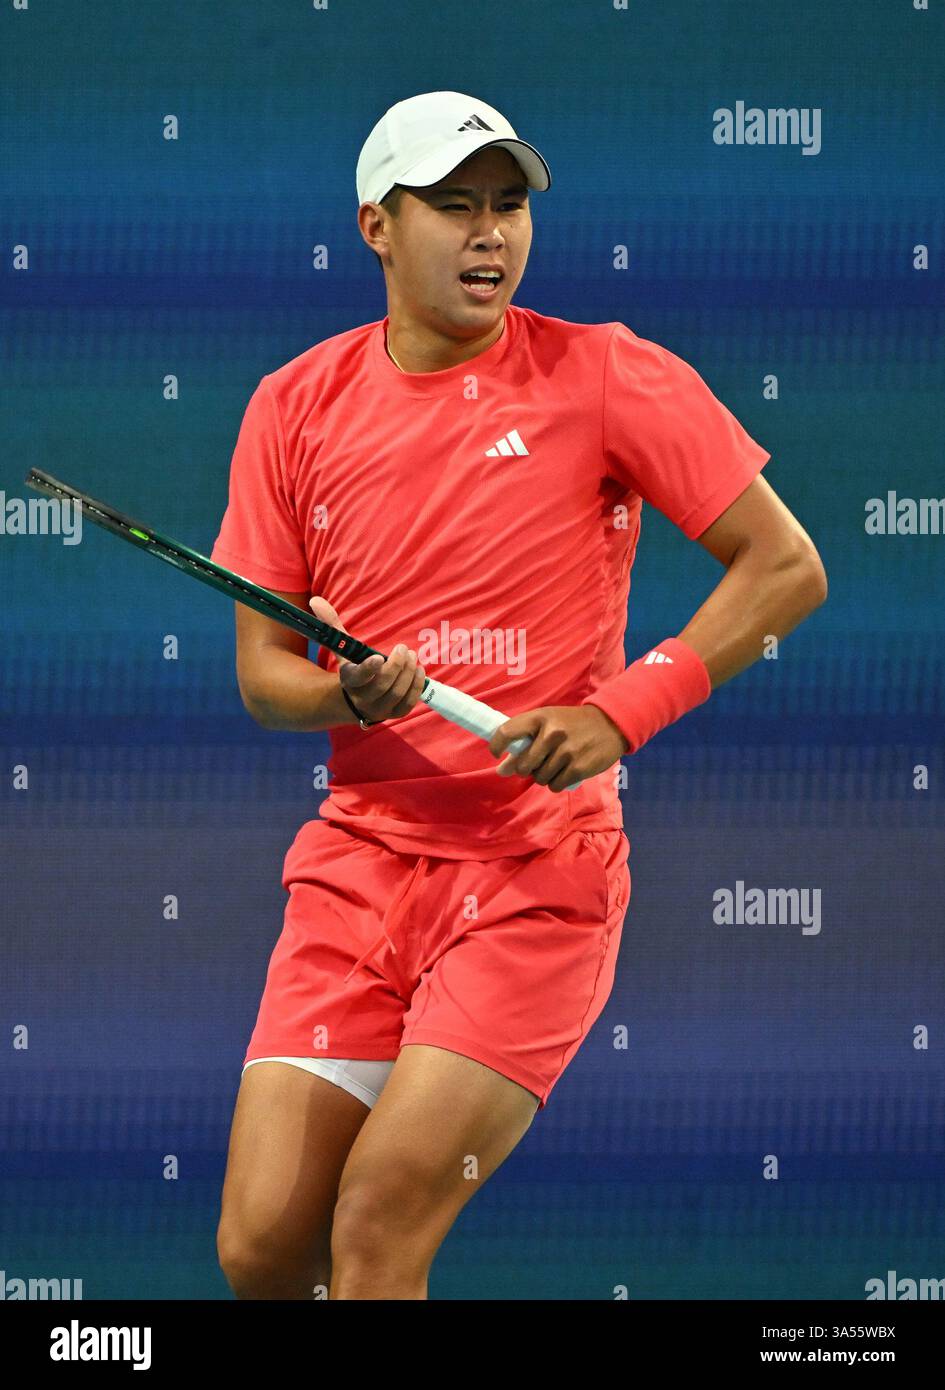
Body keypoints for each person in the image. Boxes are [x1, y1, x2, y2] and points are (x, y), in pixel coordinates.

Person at [211, 91, 827, 1301]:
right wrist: (357, 699)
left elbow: (787, 564)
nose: (490, 233)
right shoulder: (291, 405)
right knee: (262, 1251)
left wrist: (617, 714)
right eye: (455, 206)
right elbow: (268, 681)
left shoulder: (607, 373)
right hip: (357, 871)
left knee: (380, 1224)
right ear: (378, 227)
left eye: (507, 207)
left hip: (537, 876)